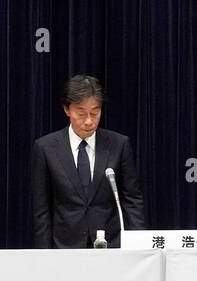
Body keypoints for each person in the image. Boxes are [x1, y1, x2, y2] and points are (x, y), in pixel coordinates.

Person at [30, 74, 146, 248]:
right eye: (81, 113)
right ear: (67, 110)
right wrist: (44, 255)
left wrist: (139, 247)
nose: (89, 120)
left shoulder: (119, 144)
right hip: (64, 247)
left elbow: (132, 201)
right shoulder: (46, 148)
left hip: (110, 245)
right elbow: (42, 210)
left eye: (95, 112)